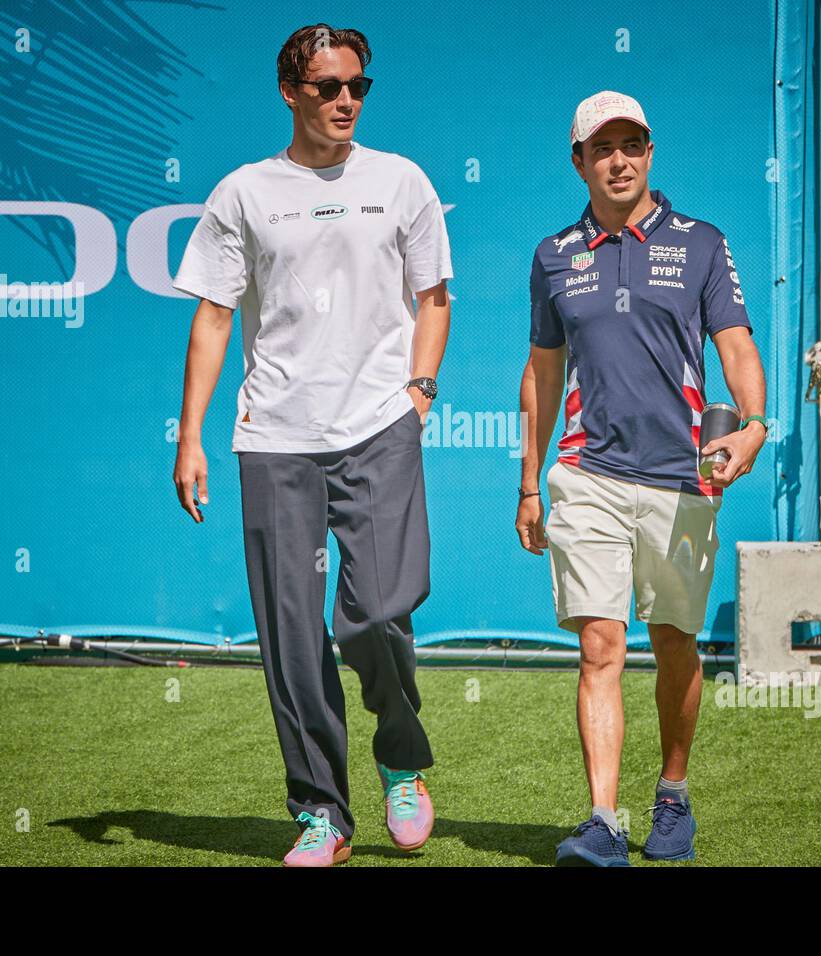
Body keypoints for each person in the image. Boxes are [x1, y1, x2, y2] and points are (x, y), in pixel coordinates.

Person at [170, 23, 453, 867]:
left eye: (357, 86)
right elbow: (214, 316)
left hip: (379, 427)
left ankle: (400, 756)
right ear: (290, 91)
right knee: (292, 635)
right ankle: (322, 813)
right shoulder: (244, 193)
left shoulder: (401, 181)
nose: (345, 101)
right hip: (274, 439)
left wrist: (419, 393)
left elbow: (434, 297)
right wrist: (191, 436)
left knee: (376, 614)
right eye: (328, 87)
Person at [516, 91, 768, 866]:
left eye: (633, 145)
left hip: (680, 480)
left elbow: (735, 344)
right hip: (586, 473)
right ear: (579, 161)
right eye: (603, 148)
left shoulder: (701, 243)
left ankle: (673, 793)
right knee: (600, 644)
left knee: (674, 645)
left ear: (650, 152)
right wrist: (530, 481)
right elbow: (541, 373)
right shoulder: (555, 253)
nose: (619, 160)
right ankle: (601, 821)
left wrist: (755, 424)